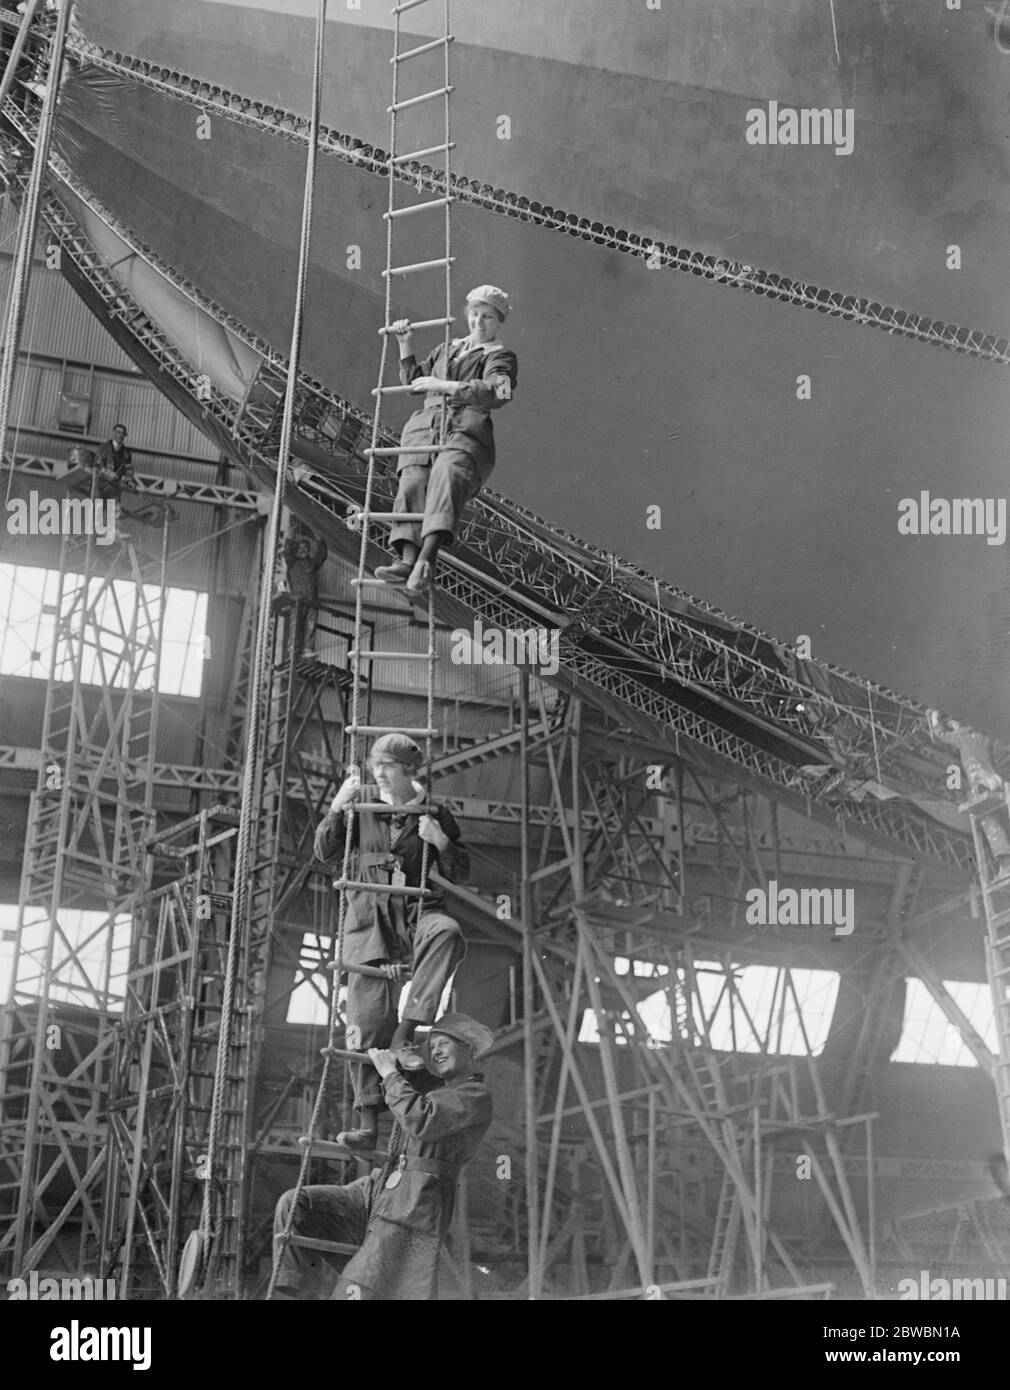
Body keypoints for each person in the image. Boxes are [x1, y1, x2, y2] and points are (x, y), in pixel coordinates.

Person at [315, 733, 470, 1152]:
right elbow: (325, 853)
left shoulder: (435, 809)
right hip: (368, 918)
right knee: (366, 1016)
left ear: (409, 771)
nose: (378, 772)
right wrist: (336, 807)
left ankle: (406, 1032)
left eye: (388, 766)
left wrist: (438, 840)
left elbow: (459, 871)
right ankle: (367, 1121)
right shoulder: (359, 799)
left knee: (447, 933)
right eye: (375, 764)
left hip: (417, 912)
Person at [272, 1012, 493, 1300]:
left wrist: (390, 1074)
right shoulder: (435, 1091)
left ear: (467, 1048)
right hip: (377, 1191)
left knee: (360, 1291)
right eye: (432, 1046)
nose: (435, 1051)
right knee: (295, 1204)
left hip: (415, 1204)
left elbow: (419, 1119)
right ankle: (292, 1294)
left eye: (443, 1044)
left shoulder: (474, 1096)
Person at [374, 285, 518, 596]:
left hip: (466, 430)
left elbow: (500, 392)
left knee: (447, 476)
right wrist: (404, 343)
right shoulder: (447, 349)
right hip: (426, 429)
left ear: (498, 321)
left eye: (488, 317)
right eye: (476, 315)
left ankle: (427, 559)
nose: (479, 323)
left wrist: (449, 386)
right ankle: (407, 560)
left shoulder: (501, 357)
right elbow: (415, 381)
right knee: (412, 483)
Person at [929, 710, 1010, 883]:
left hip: (980, 784)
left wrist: (934, 717)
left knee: (990, 822)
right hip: (996, 781)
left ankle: (1006, 867)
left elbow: (940, 734)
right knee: (1004, 821)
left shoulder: (962, 737)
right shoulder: (983, 736)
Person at [283, 528, 328, 658]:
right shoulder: (292, 562)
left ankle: (308, 649)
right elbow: (287, 552)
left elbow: (321, 556)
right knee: (296, 624)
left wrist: (320, 541)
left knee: (310, 625)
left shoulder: (311, 564)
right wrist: (289, 539)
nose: (303, 550)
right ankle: (294, 649)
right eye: (301, 548)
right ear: (296, 550)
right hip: (298, 600)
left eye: (306, 548)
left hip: (311, 599)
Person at [92, 423, 134, 500]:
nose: (120, 435)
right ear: (113, 433)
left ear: (125, 435)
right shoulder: (103, 448)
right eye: (118, 432)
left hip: (115, 487)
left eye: (122, 433)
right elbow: (97, 465)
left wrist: (129, 480)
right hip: (101, 485)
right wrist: (108, 473)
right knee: (98, 509)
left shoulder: (127, 453)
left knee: (112, 510)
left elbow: (129, 469)